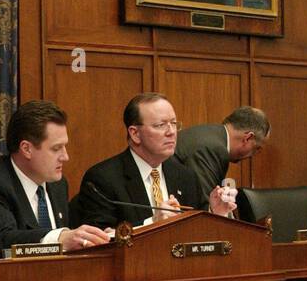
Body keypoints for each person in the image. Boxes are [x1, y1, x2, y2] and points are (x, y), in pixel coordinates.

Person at [73, 94, 237, 228]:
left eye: (173, 123)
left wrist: (213, 211)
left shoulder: (184, 175)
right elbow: (97, 240)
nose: (171, 132)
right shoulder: (103, 179)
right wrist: (151, 223)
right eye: (160, 125)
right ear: (135, 134)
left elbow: (196, 229)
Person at [0, 100, 111, 259]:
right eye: (56, 149)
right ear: (27, 149)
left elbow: (70, 242)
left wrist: (92, 239)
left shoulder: (58, 184)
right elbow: (0, 241)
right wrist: (59, 239)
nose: (65, 157)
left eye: (65, 146)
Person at [175, 106, 270, 196]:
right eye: (257, 148)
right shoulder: (214, 149)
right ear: (248, 138)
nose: (253, 155)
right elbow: (205, 206)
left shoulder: (210, 135)